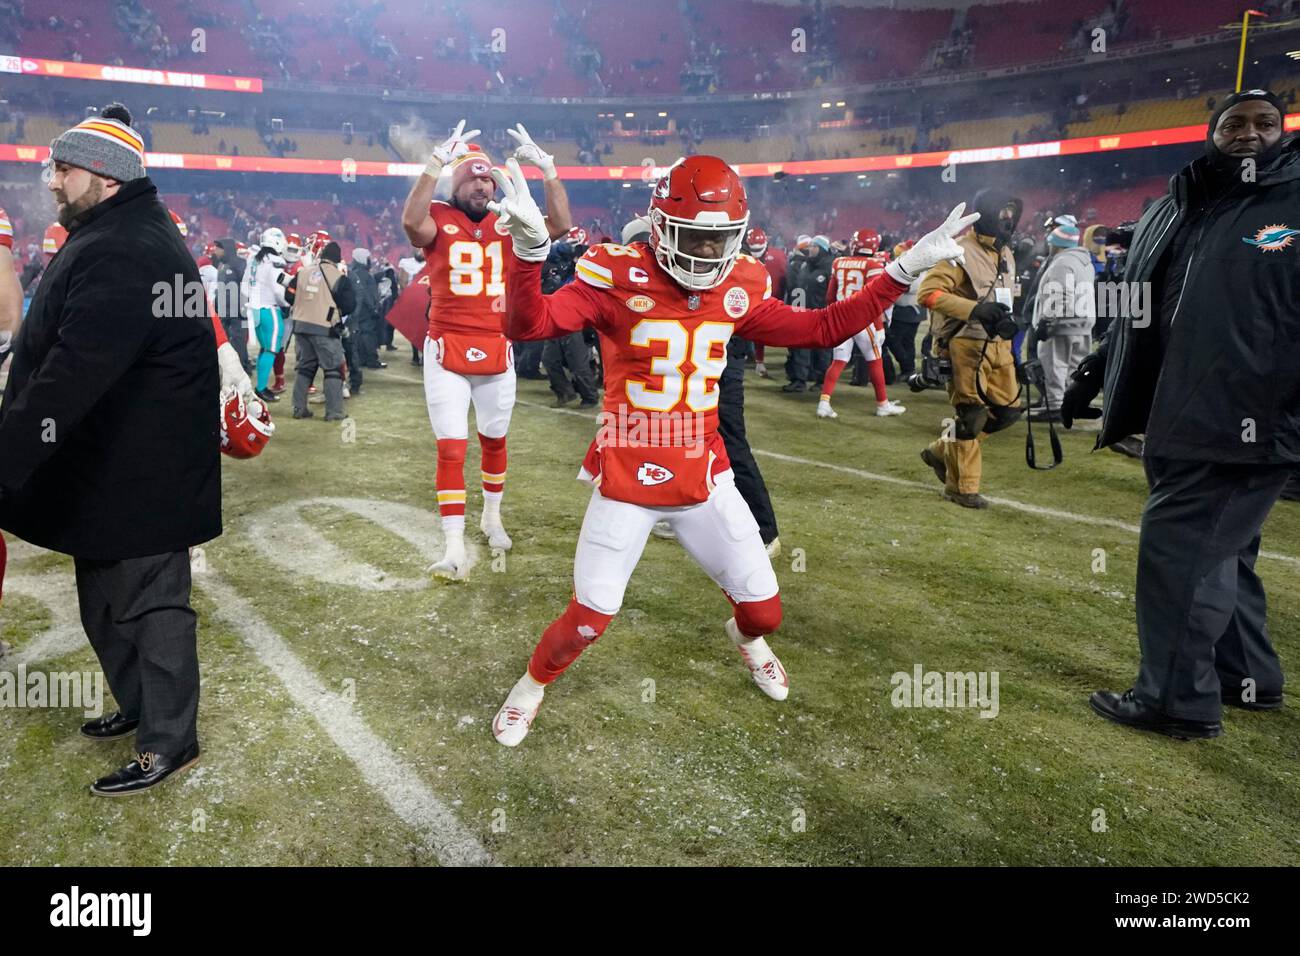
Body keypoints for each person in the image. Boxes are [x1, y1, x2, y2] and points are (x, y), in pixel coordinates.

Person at [485, 154, 976, 745]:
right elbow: (526, 325)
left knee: (765, 614)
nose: (706, 253)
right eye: (693, 236)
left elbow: (821, 328)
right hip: (628, 472)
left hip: (704, 473)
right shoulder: (617, 274)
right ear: (660, 225)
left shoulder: (740, 283)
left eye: (719, 239)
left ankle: (745, 642)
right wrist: (530, 255)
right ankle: (532, 686)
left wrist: (902, 270)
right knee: (589, 620)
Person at [1067, 90, 1299, 739]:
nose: (1249, 132)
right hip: (1179, 408)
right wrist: (1100, 364)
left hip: (1245, 414)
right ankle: (1247, 676)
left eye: (1264, 122)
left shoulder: (1290, 202)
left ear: (1282, 132)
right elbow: (1152, 300)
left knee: (1181, 551)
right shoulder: (1181, 203)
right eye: (1235, 122)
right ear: (1212, 132)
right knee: (1226, 548)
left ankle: (1176, 698)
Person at [0, 104, 218, 795]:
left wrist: (7, 460)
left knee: (151, 609)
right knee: (104, 601)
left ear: (106, 176)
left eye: (63, 169)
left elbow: (71, 378)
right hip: (115, 467)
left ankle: (169, 741)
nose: (53, 182)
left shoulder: (126, 246)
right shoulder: (119, 230)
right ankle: (141, 707)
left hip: (142, 472)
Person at [400, 121, 572, 578]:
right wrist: (434, 164)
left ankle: (491, 515)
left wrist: (548, 171)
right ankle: (453, 545)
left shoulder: (508, 217)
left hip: (497, 346)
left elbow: (560, 225)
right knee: (451, 448)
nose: (482, 183)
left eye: (487, 177)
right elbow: (411, 224)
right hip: (447, 348)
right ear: (456, 184)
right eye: (473, 178)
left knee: (494, 440)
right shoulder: (438, 216)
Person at [918, 187, 1024, 509]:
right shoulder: (957, 249)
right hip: (965, 344)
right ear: (988, 212)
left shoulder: (1006, 253)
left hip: (998, 345)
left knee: (1007, 412)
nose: (1008, 218)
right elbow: (929, 294)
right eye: (1002, 211)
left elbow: (1004, 296)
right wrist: (973, 310)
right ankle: (961, 488)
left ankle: (940, 450)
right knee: (971, 416)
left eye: (1011, 212)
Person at [816, 228, 906, 419]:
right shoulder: (873, 265)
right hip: (863, 319)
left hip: (840, 318)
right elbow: (874, 300)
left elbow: (830, 296)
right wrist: (880, 327)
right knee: (875, 360)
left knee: (839, 361)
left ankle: (824, 403)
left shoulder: (838, 262)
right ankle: (882, 404)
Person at [1027, 219, 1094, 422]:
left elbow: (1060, 294)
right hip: (1082, 323)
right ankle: (1072, 404)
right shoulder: (1085, 262)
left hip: (1062, 325)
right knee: (1075, 369)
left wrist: (1047, 321)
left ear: (1056, 243)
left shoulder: (1062, 263)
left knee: (1055, 365)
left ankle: (1056, 406)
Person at [287, 240, 355, 421]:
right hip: (325, 328)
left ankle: (298, 408)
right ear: (337, 259)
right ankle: (334, 412)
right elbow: (349, 305)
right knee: (333, 369)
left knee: (304, 368)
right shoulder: (339, 277)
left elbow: (289, 295)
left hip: (300, 326)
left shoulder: (303, 272)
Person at [248, 226, 292, 403]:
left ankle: (260, 386)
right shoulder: (273, 260)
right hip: (268, 308)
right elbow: (276, 288)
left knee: (264, 349)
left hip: (255, 308)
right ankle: (261, 388)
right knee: (271, 349)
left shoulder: (255, 258)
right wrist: (286, 303)